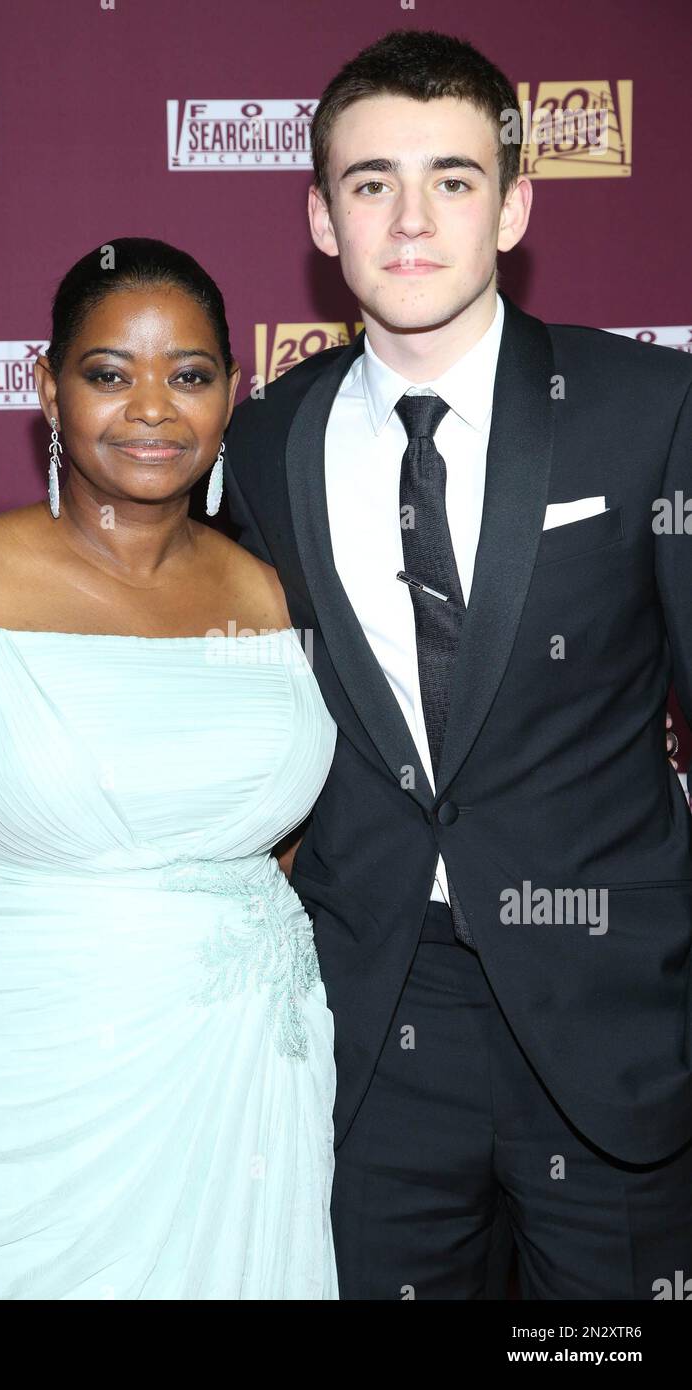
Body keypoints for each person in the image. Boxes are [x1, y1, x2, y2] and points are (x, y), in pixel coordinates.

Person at [222, 28, 692, 1299]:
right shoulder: (264, 440)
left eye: (453, 177)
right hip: (371, 1023)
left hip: (608, 1017)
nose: (411, 219)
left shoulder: (648, 408)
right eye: (370, 183)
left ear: (514, 204)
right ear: (321, 217)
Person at [0, 238, 339, 1300]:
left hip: (237, 1102)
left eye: (188, 376)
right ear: (45, 390)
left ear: (230, 394)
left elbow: (275, 852)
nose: (151, 408)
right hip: (13, 1116)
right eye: (109, 373)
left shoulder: (274, 597)